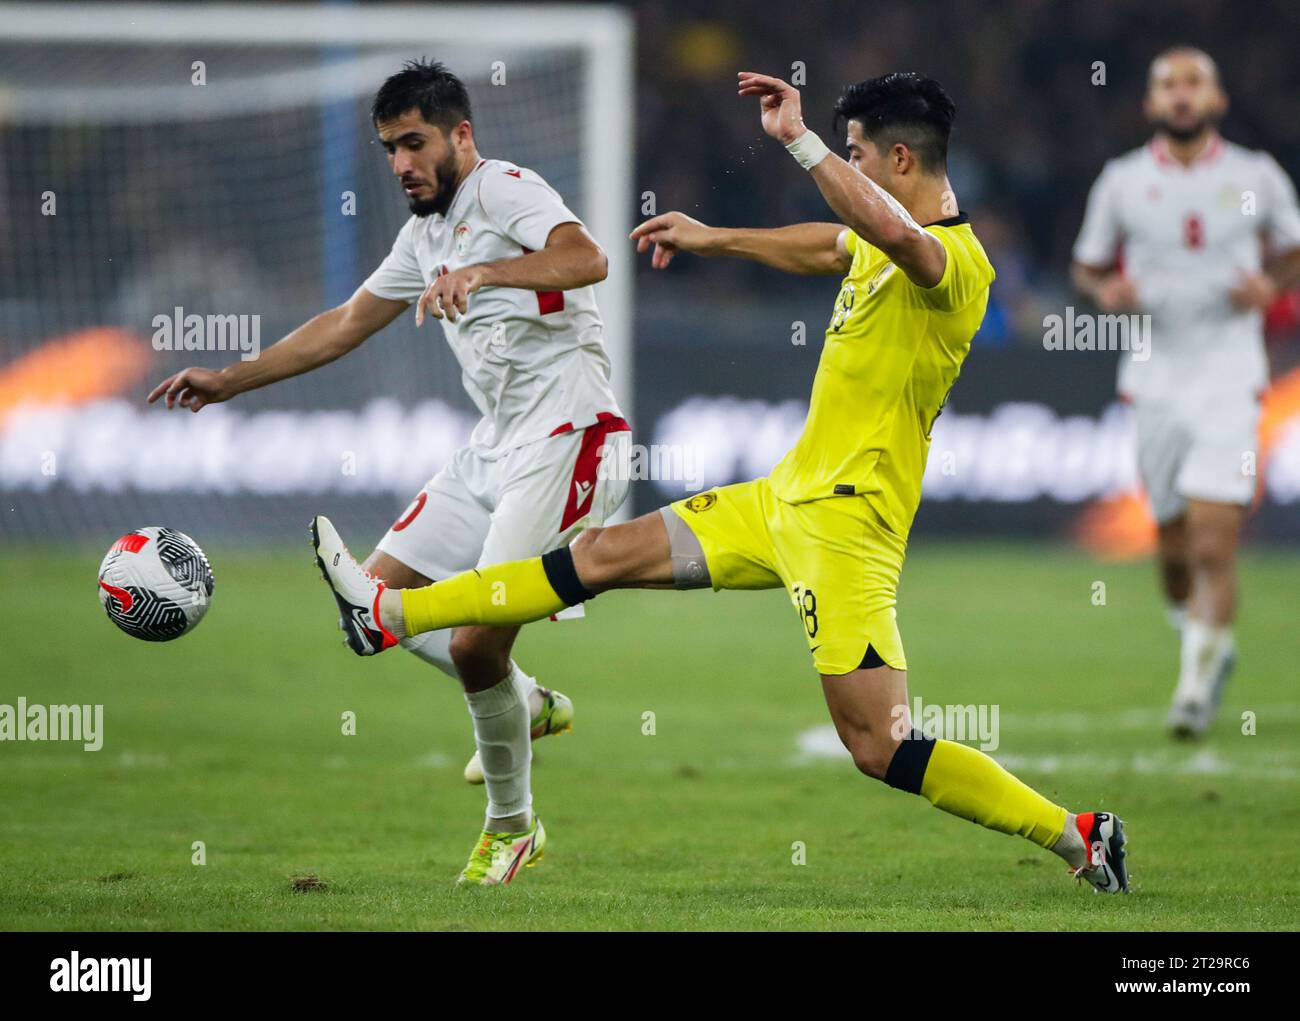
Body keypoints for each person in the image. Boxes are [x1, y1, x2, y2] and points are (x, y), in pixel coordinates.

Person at [313, 70, 1130, 894]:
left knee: (879, 745)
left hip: (848, 532)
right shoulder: (875, 242)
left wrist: (801, 144)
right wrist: (714, 237)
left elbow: (891, 234)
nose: (845, 167)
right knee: (598, 553)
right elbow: (828, 241)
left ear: (902, 159)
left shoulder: (955, 262)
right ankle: (390, 612)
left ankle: (1080, 834)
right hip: (780, 501)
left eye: (855, 155)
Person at [149, 60, 630, 885]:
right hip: (496, 444)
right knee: (374, 593)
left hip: (571, 435)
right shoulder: (423, 236)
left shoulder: (507, 188)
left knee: (476, 641)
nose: (402, 163)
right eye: (389, 149)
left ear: (460, 137)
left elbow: (587, 259)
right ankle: (530, 701)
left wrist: (486, 271)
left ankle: (512, 827)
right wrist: (230, 379)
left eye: (415, 143)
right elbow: (343, 325)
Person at [1072, 47, 1300, 738]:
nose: (1180, 95)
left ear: (1217, 99)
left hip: (1231, 375)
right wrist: (1106, 290)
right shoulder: (1122, 182)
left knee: (1213, 540)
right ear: (1150, 104)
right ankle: (1203, 637)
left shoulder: (1255, 175)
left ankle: (1195, 689)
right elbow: (1086, 267)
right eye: (1167, 84)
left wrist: (1273, 283)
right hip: (1154, 377)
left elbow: (1292, 247)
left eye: (1193, 82)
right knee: (1172, 548)